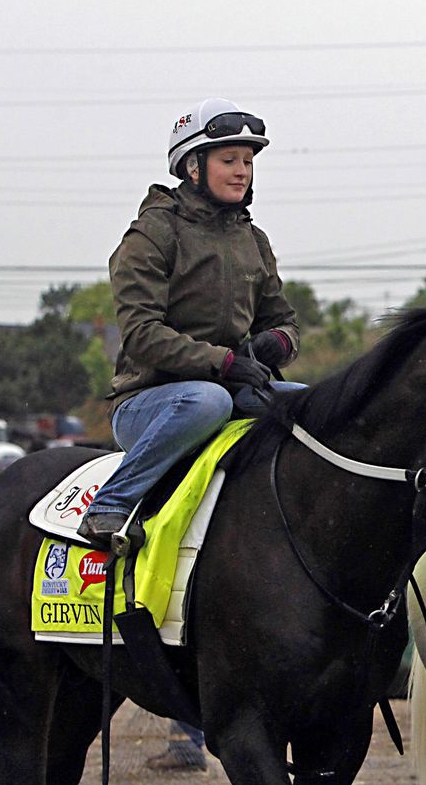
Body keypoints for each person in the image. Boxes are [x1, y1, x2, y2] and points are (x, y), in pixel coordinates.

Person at [77, 98, 302, 546]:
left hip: (231, 388)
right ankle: (111, 504)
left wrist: (277, 343)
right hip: (150, 402)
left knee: (311, 406)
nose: (243, 171)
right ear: (193, 167)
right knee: (208, 401)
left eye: (248, 161)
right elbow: (142, 334)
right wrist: (224, 363)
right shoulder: (151, 235)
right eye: (229, 160)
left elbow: (285, 322)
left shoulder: (253, 239)